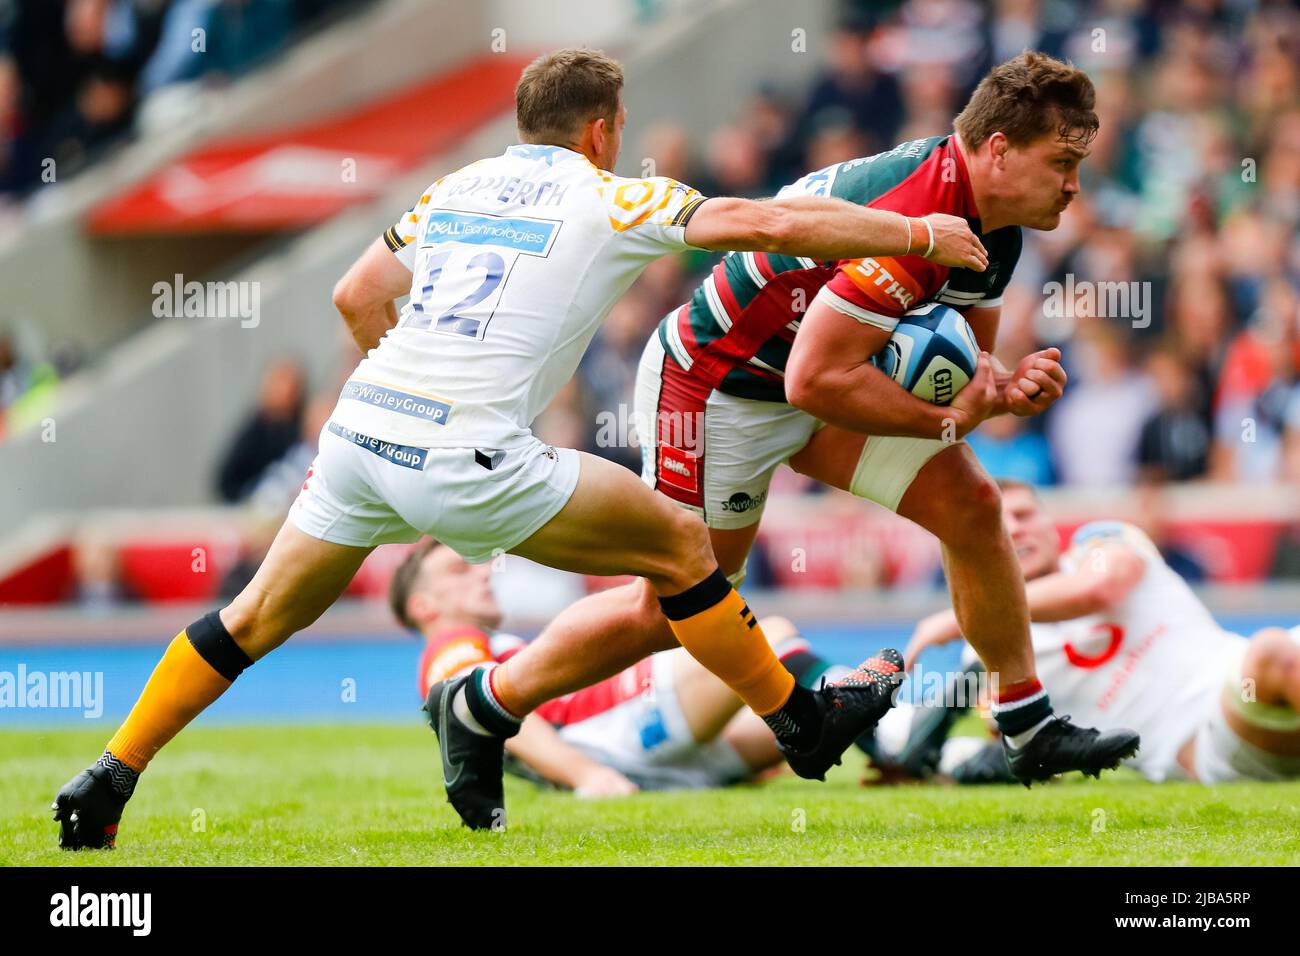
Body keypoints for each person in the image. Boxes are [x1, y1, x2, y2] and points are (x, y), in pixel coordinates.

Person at [52, 47, 990, 848]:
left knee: (251, 619)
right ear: (601, 131)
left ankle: (110, 774)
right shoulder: (613, 197)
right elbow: (773, 222)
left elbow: (352, 294)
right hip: (470, 452)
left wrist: (417, 380)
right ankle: (801, 722)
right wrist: (915, 228)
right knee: (680, 548)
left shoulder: (452, 189)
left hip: (364, 430)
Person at [455, 52, 1141, 822]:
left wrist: (998, 389)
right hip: (716, 388)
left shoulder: (995, 224)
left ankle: (1026, 722)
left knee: (970, 505)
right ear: (998, 150)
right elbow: (812, 381)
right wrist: (954, 418)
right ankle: (485, 703)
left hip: (806, 374)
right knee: (674, 609)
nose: (1074, 185)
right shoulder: (920, 210)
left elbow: (959, 364)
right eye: (1062, 162)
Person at [897, 480, 1300, 785]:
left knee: (1277, 653)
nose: (1015, 531)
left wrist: (964, 614)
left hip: (1249, 675)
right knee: (1273, 653)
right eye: (997, 525)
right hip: (1213, 739)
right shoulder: (994, 656)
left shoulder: (1105, 543)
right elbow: (1020, 759)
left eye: (1023, 515)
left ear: (1052, 526)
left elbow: (1097, 589)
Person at [392, 539, 858, 794]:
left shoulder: (484, 644)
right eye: (458, 572)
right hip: (622, 725)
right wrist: (585, 776)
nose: (479, 575)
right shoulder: (449, 645)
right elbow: (483, 714)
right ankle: (899, 733)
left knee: (796, 718)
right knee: (766, 636)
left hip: (637, 754)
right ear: (423, 606)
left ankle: (909, 746)